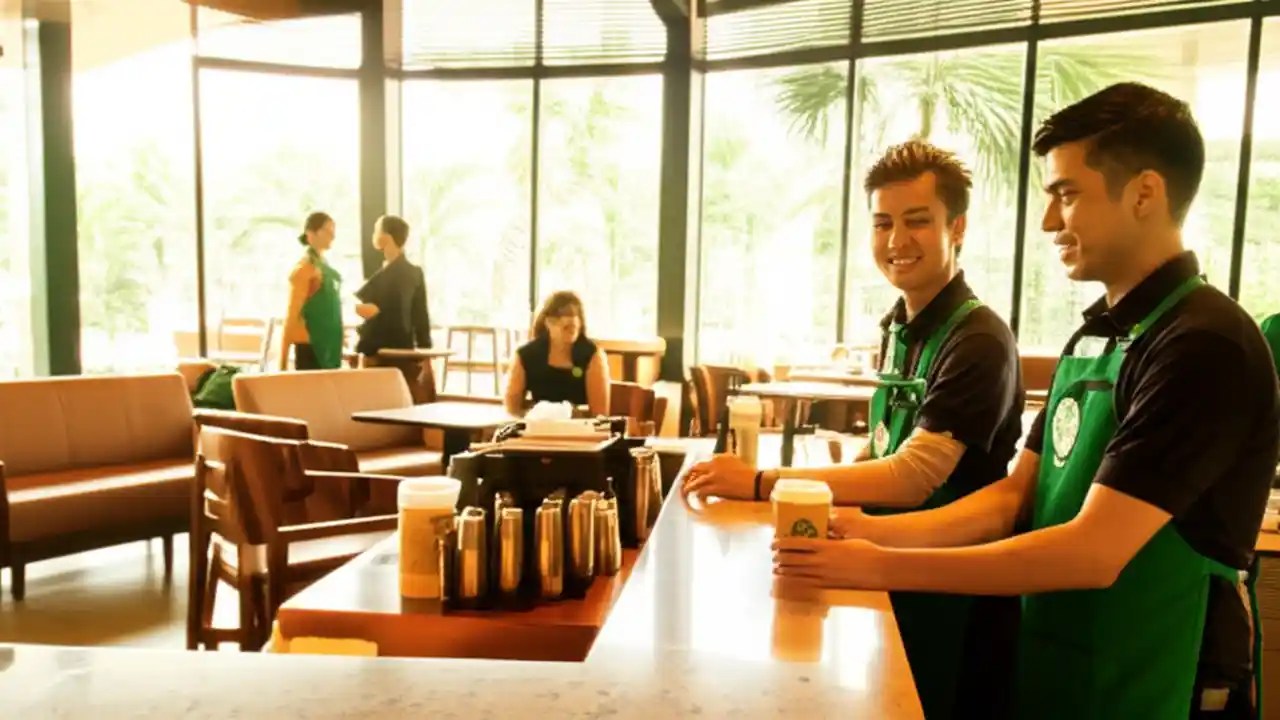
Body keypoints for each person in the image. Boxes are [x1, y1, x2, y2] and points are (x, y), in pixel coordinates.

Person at [775, 83, 1280, 719]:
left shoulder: (1206, 343)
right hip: (1058, 666)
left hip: (1161, 682)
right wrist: (868, 531)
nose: (1047, 222)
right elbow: (1016, 499)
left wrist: (879, 565)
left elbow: (1091, 552)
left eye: (1065, 195)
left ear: (1145, 193)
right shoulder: (1097, 332)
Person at [684, 139, 1024, 720]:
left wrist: (766, 481)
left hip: (951, 592)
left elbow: (916, 475)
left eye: (917, 222)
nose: (896, 242)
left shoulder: (979, 341)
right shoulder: (900, 326)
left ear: (957, 227)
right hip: (887, 565)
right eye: (883, 223)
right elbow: (884, 446)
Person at [354, 215, 435, 401]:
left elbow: (417, 315)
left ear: (386, 237)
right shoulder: (411, 273)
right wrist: (424, 351)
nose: (374, 235)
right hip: (402, 351)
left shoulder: (399, 274)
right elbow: (421, 317)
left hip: (384, 353)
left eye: (377, 230)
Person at [505, 291, 610, 417]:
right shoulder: (526, 355)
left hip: (580, 430)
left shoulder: (593, 356)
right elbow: (512, 408)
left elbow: (600, 415)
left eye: (574, 328)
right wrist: (538, 415)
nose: (571, 331)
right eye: (566, 328)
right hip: (539, 428)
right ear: (548, 322)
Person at [281, 211, 344, 370]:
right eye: (327, 231)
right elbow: (292, 313)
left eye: (333, 231)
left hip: (329, 345)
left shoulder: (324, 266)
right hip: (311, 345)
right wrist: (282, 361)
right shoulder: (304, 269)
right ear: (311, 234)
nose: (332, 236)